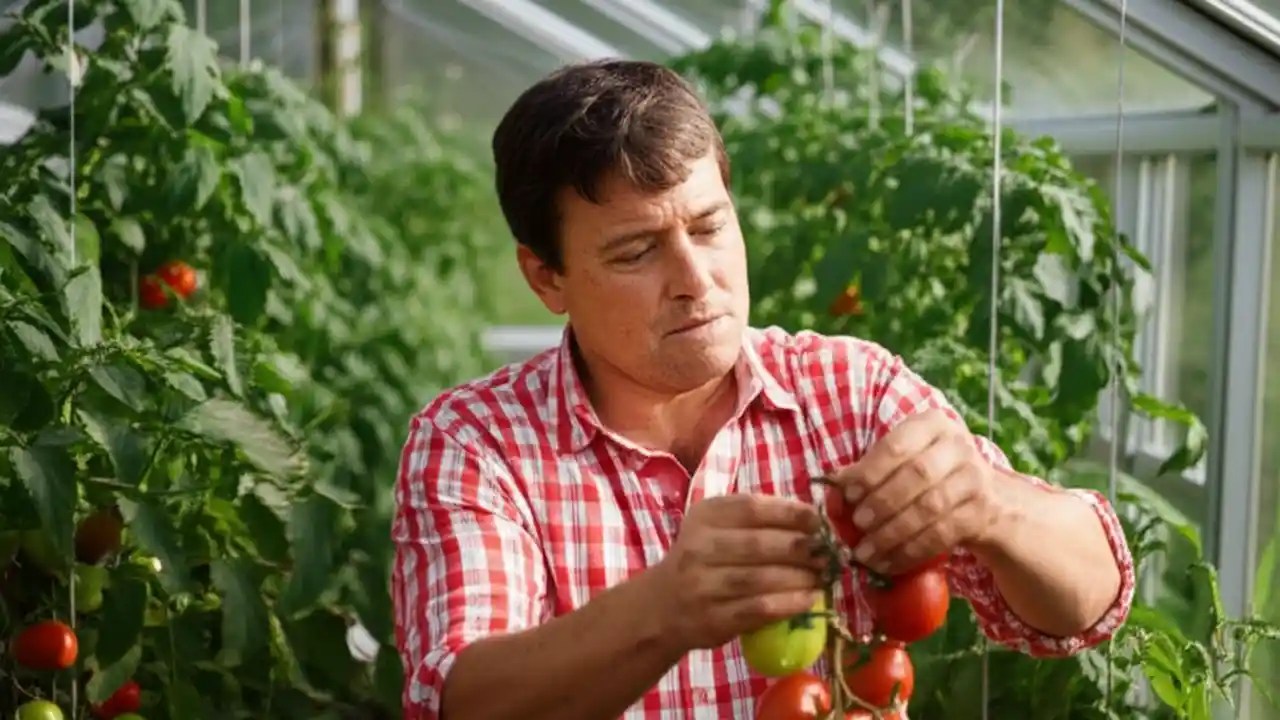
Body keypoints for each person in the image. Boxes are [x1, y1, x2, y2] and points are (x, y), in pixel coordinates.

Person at [390, 59, 1133, 720]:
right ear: (545, 276)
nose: (694, 280)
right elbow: (461, 697)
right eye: (636, 252)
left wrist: (991, 505)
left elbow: (1088, 607)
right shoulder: (478, 443)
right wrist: (664, 610)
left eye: (710, 227)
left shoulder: (850, 391)